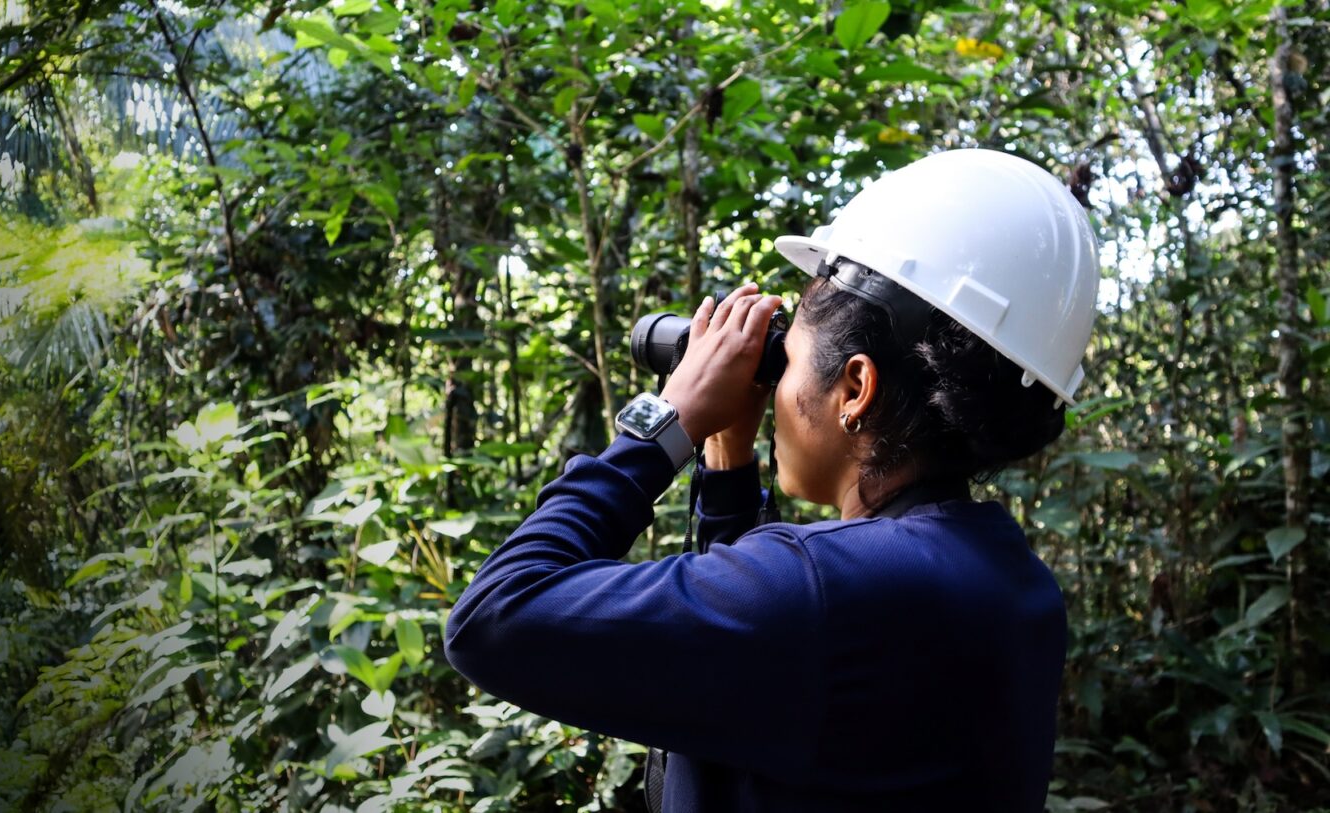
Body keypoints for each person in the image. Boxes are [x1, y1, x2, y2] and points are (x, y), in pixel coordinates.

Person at [443, 149, 1100, 812]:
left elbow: (494, 616)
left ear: (855, 387)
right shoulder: (1012, 583)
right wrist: (728, 458)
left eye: (785, 361)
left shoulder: (822, 594)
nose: (774, 384)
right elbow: (773, 676)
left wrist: (668, 418)